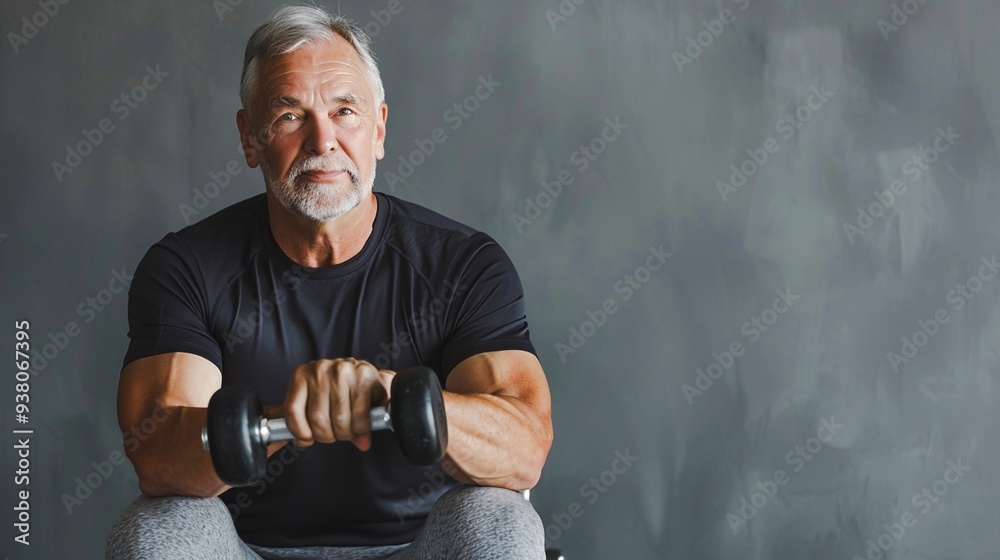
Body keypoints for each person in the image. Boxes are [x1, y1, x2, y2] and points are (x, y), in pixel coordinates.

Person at [106, 5, 553, 559]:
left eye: (345, 111)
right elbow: (157, 456)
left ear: (379, 128)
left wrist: (387, 393)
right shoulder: (188, 267)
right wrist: (290, 415)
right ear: (250, 138)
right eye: (290, 115)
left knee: (502, 520)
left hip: (418, 548)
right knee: (156, 528)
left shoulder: (463, 264)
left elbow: (524, 450)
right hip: (246, 549)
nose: (323, 141)